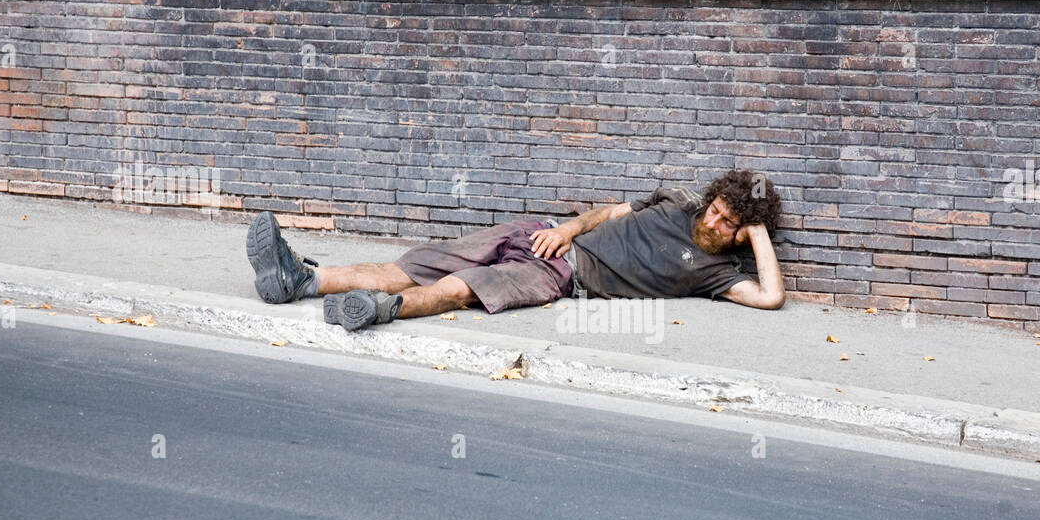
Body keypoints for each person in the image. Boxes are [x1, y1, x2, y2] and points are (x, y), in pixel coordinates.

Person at [246, 168, 786, 332]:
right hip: (544, 234)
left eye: (727, 221)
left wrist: (755, 229)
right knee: (417, 263)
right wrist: (569, 229)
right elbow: (609, 212)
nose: (713, 220)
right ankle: (304, 280)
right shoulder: (676, 202)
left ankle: (384, 310)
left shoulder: (718, 275)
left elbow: (770, 298)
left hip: (562, 279)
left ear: (741, 233)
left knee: (463, 290)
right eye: (716, 208)